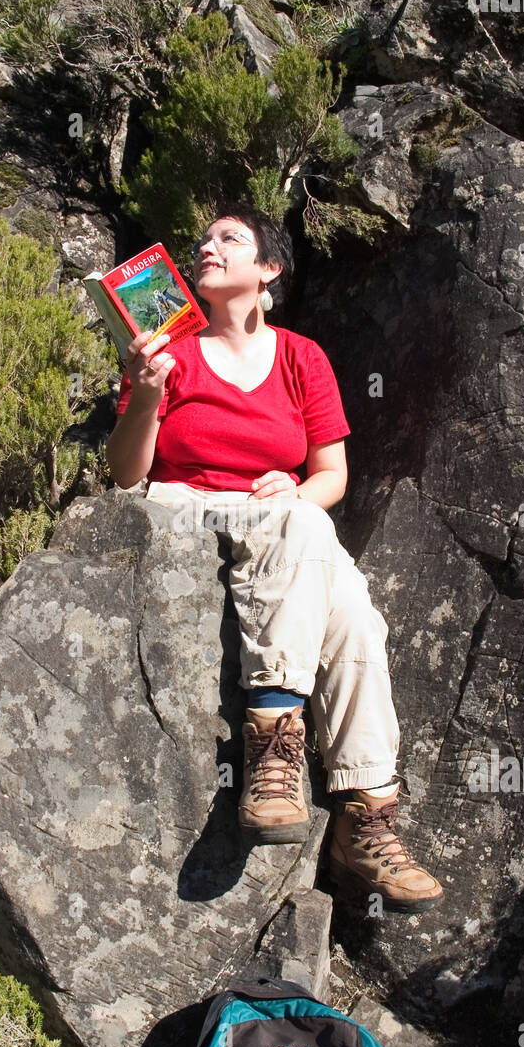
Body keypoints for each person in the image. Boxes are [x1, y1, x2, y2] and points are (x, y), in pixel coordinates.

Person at [105, 207, 443, 914]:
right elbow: (126, 477)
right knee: (308, 538)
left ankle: (367, 814)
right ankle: (275, 734)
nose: (207, 246)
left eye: (230, 239)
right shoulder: (171, 352)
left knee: (356, 616)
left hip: (279, 522)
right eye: (203, 240)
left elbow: (331, 477)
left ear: (269, 270)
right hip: (184, 511)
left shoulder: (301, 357)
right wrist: (145, 393)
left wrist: (291, 489)